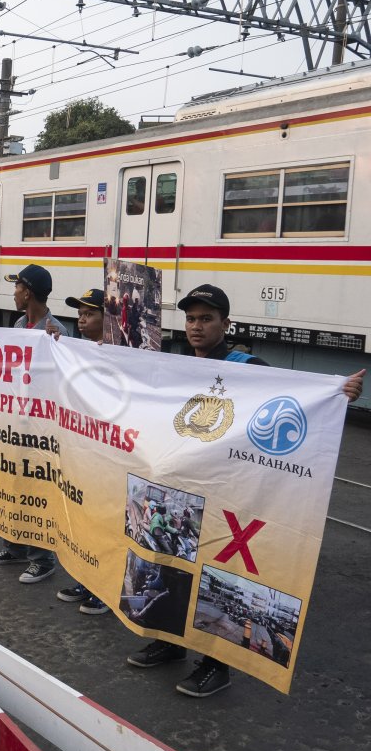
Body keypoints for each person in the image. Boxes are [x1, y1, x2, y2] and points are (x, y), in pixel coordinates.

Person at [127, 283, 364, 698]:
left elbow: (296, 396)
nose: (196, 327)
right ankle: (170, 642)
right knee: (172, 564)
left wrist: (337, 393)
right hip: (186, 489)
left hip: (230, 493)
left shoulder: (250, 366)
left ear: (226, 323)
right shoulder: (180, 364)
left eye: (206, 319)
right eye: (191, 319)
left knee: (219, 573)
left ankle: (217, 665)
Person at [0, 264, 67, 581]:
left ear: (27, 292)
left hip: (38, 429)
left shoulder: (54, 330)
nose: (14, 293)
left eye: (17, 288)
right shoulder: (19, 323)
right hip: (14, 423)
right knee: (12, 483)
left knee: (36, 489)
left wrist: (57, 345)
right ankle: (15, 547)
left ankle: (42, 558)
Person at [50, 288, 110, 614]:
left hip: (108, 454)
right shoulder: (76, 349)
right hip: (82, 449)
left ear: (107, 318)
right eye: (80, 313)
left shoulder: (122, 352)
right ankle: (86, 579)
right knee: (83, 516)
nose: (82, 319)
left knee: (103, 520)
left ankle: (102, 587)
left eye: (89, 313)